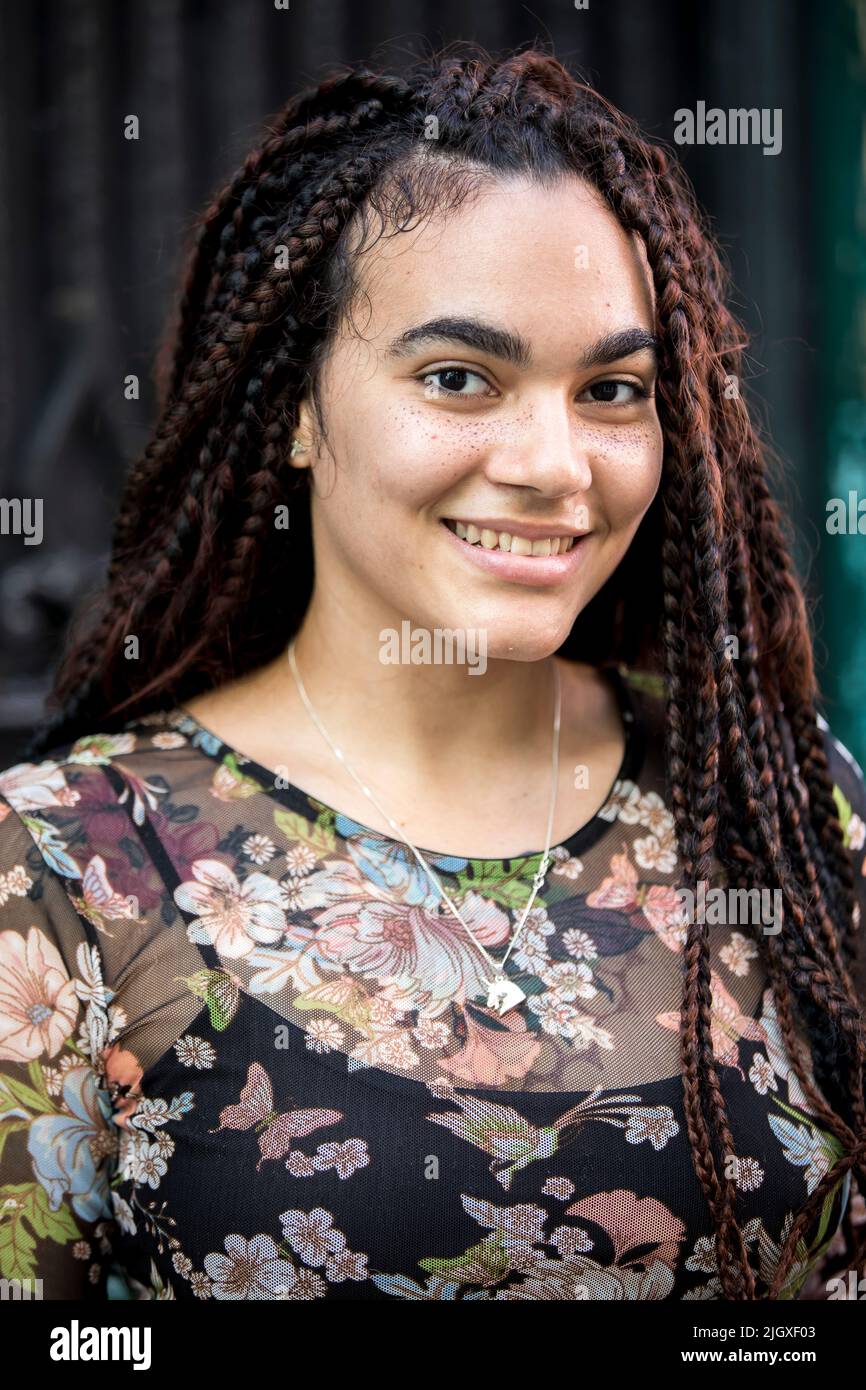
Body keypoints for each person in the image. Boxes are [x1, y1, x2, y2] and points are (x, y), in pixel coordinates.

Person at [2, 44, 865, 1302]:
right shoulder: (75, 873)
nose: (555, 464)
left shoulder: (769, 798)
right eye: (460, 377)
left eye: (611, 389)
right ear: (298, 406)